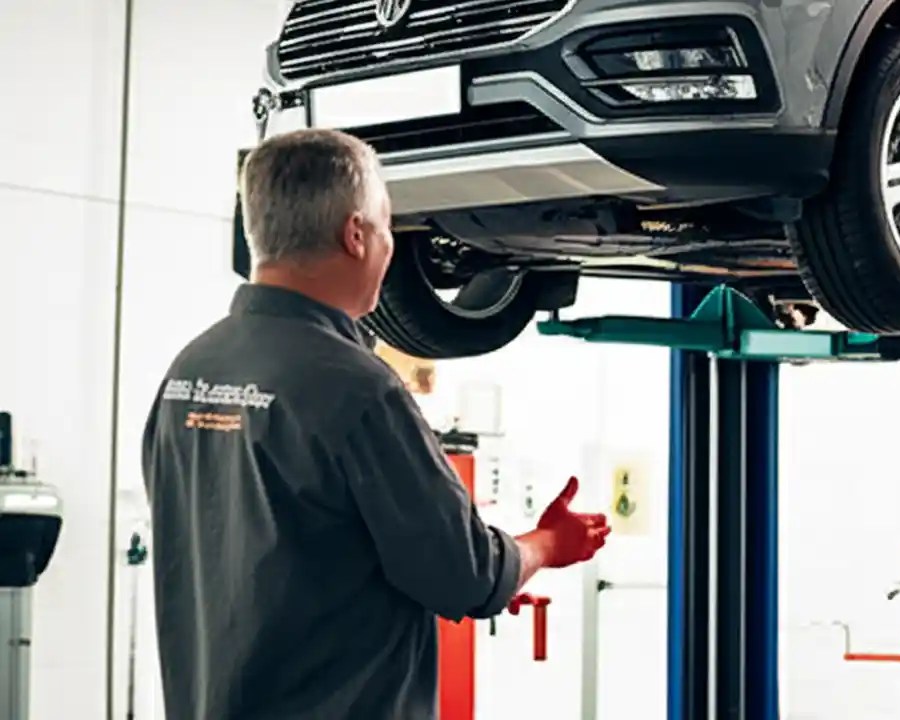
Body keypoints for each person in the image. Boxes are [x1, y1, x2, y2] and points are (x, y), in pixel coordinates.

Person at [140, 128, 611, 720]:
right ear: (356, 235)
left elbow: (273, 541)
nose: (392, 245)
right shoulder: (356, 388)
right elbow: (467, 577)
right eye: (388, 225)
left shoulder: (192, 369)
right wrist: (547, 544)